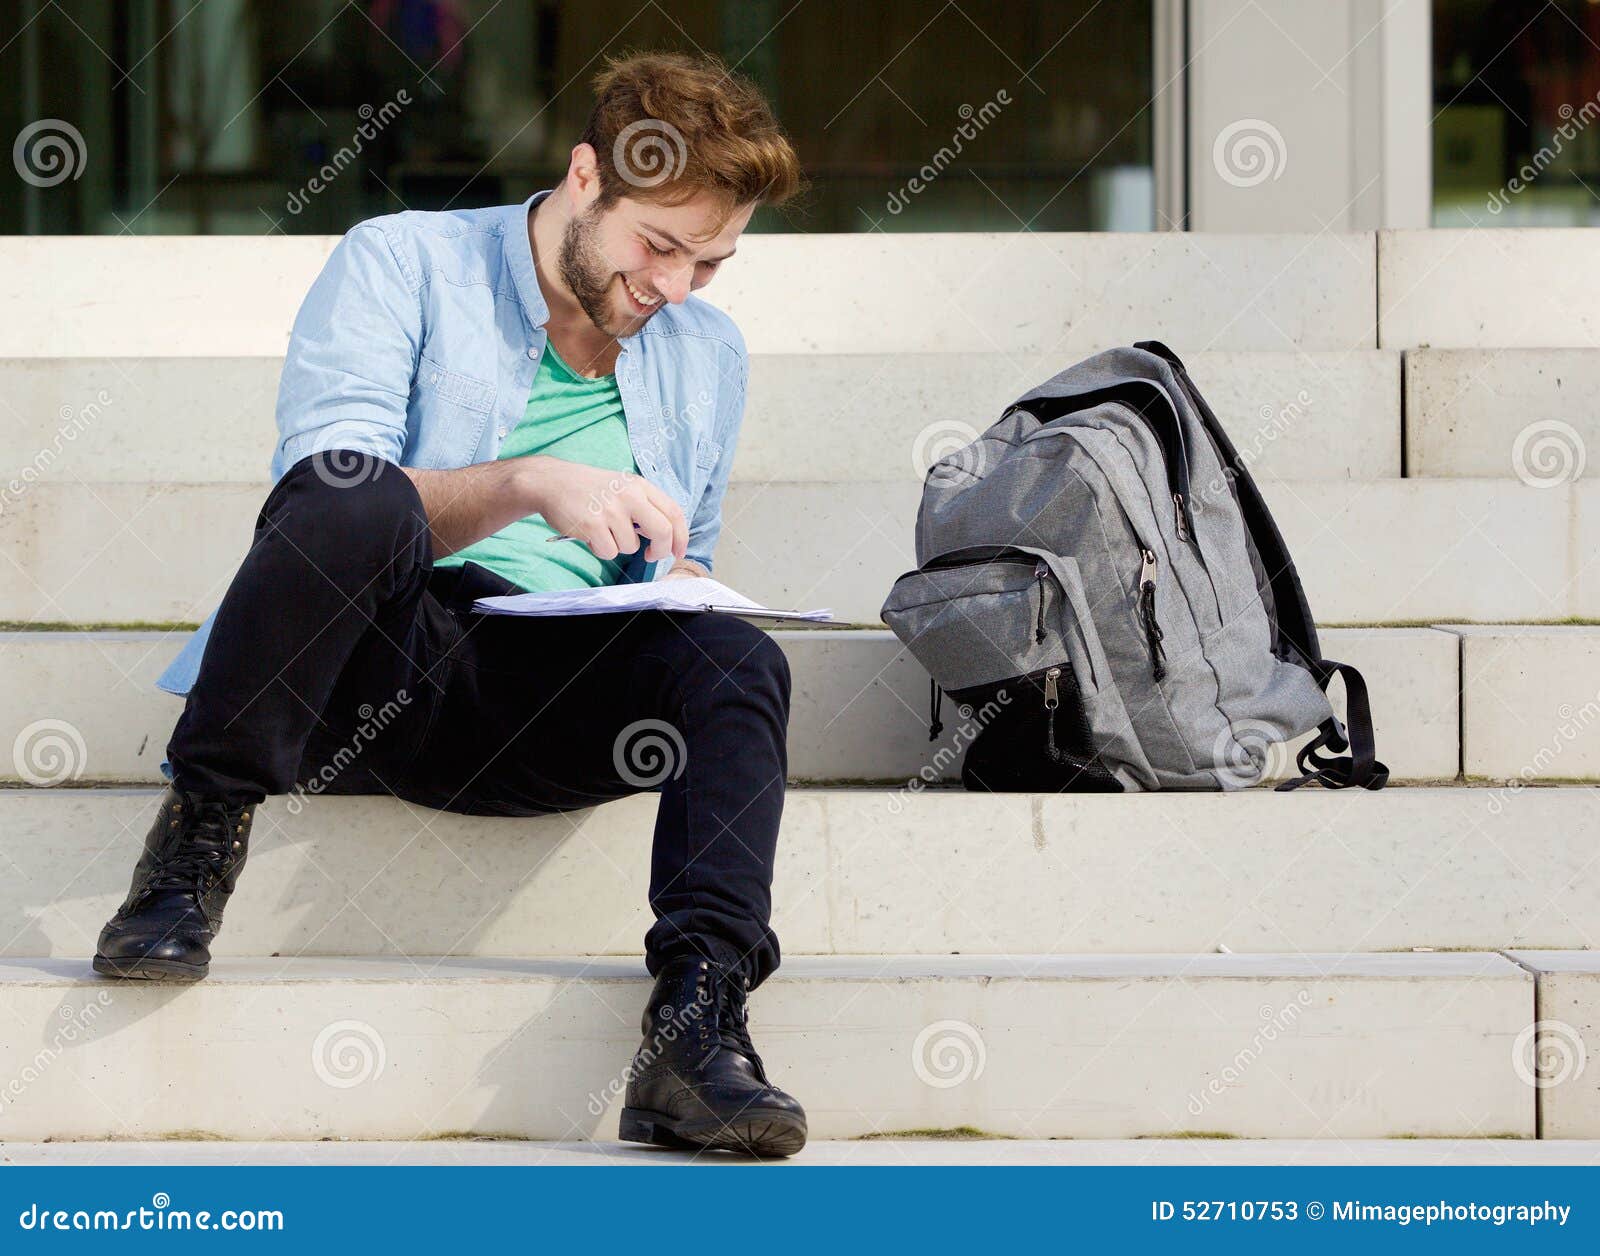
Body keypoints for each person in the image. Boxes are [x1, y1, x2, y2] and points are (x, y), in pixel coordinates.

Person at [92, 50, 808, 1158]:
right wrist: (527, 484)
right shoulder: (405, 261)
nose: (674, 287)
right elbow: (323, 497)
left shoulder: (705, 350)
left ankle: (696, 1028)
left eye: (709, 263)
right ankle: (195, 841)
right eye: (658, 245)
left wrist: (683, 581)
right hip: (368, 670)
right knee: (350, 496)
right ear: (584, 178)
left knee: (737, 659)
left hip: (544, 699)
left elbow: (680, 553)